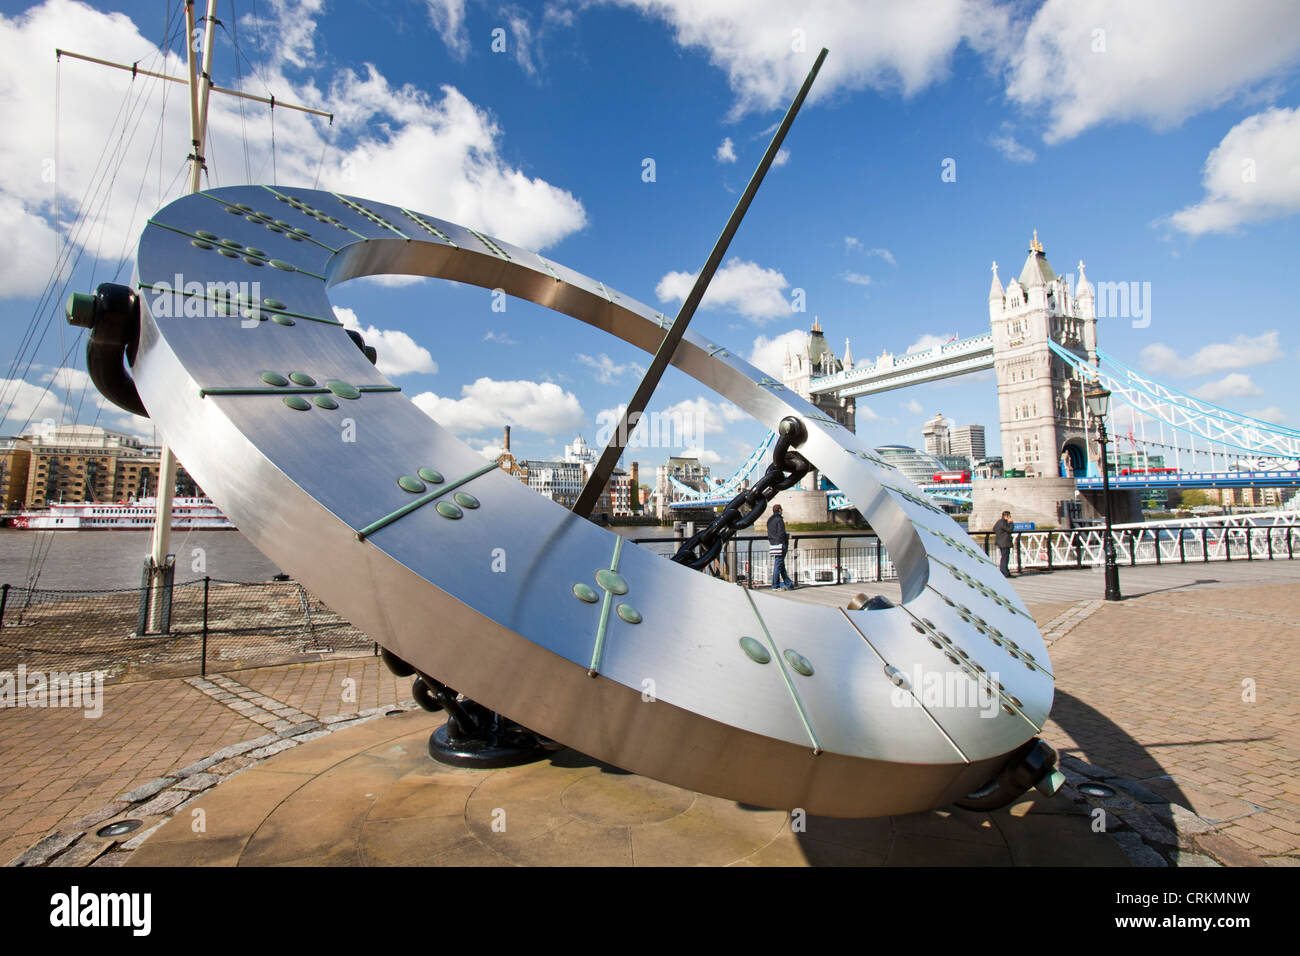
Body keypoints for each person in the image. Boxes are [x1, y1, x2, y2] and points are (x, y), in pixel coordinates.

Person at [767, 504, 796, 590]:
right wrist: (786, 537)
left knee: (781, 566)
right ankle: (775, 586)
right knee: (778, 566)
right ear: (779, 510)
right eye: (781, 510)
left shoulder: (769, 520)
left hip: (773, 544)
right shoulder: (779, 520)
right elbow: (781, 533)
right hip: (780, 544)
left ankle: (789, 584)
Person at [993, 510, 1015, 577]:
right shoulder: (1003, 522)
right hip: (1004, 542)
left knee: (1004, 557)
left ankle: (1005, 572)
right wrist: (1011, 523)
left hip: (1001, 542)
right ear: (1006, 516)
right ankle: (1004, 572)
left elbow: (994, 529)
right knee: (1005, 558)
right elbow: (1009, 530)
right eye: (1009, 516)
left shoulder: (999, 522)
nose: (1010, 517)